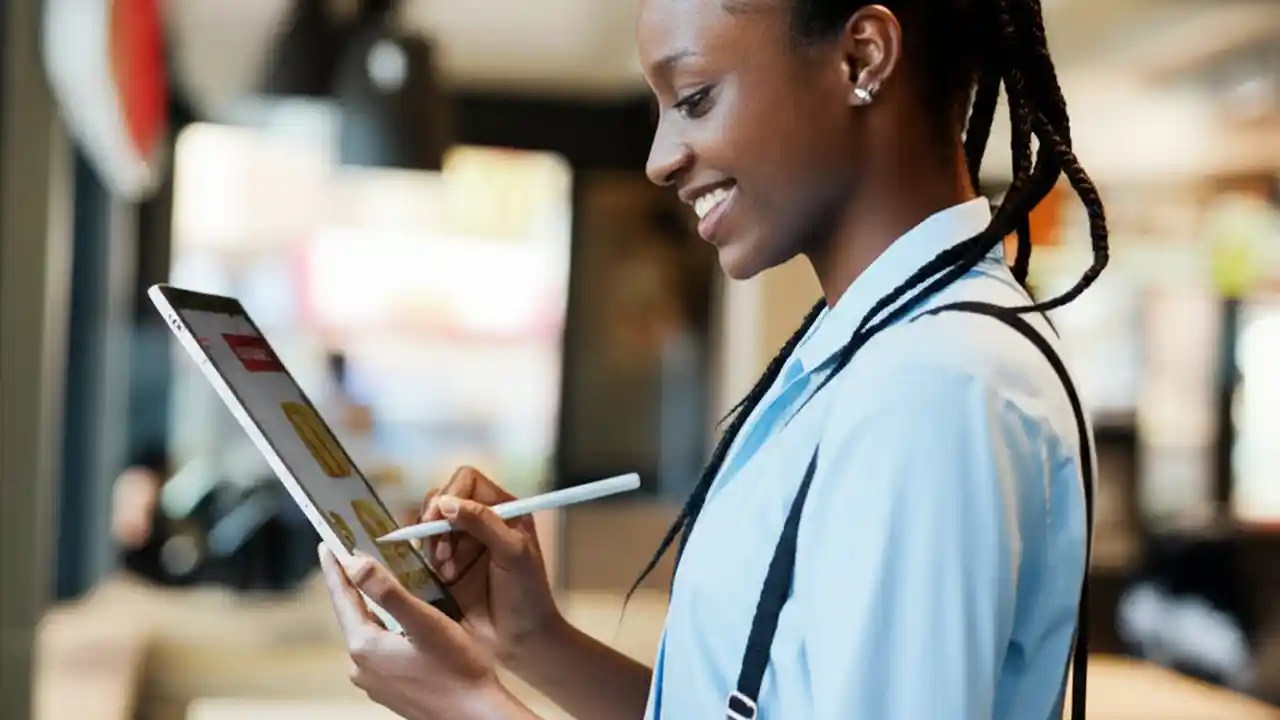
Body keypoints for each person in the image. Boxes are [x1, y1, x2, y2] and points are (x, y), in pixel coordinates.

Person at [318, 0, 1109, 717]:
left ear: (863, 57)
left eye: (694, 98)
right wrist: (531, 642)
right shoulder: (875, 357)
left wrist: (465, 706)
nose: (661, 158)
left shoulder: (932, 385)